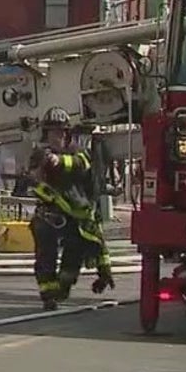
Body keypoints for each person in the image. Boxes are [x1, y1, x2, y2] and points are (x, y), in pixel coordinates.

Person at [27, 106, 115, 311]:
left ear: (66, 134)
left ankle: (64, 286)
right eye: (51, 133)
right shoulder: (39, 154)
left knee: (76, 249)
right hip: (49, 214)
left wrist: (59, 161)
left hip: (76, 213)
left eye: (58, 132)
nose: (54, 137)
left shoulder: (78, 152)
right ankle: (48, 294)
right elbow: (34, 180)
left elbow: (81, 164)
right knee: (45, 253)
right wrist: (42, 169)